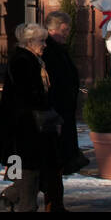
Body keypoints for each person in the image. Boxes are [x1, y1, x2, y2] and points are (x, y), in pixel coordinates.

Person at [0, 22, 65, 212]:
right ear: (29, 42)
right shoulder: (22, 60)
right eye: (41, 41)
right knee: (30, 171)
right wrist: (47, 110)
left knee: (40, 171)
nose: (45, 45)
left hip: (35, 127)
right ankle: (24, 205)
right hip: (25, 128)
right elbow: (27, 96)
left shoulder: (35, 60)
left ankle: (13, 196)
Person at [42, 10, 88, 173]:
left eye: (67, 30)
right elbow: (48, 85)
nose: (67, 34)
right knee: (53, 163)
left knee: (57, 164)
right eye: (64, 30)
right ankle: (18, 194)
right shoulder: (47, 50)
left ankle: (52, 197)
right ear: (52, 30)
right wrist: (53, 116)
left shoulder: (59, 49)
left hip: (64, 112)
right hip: (56, 113)